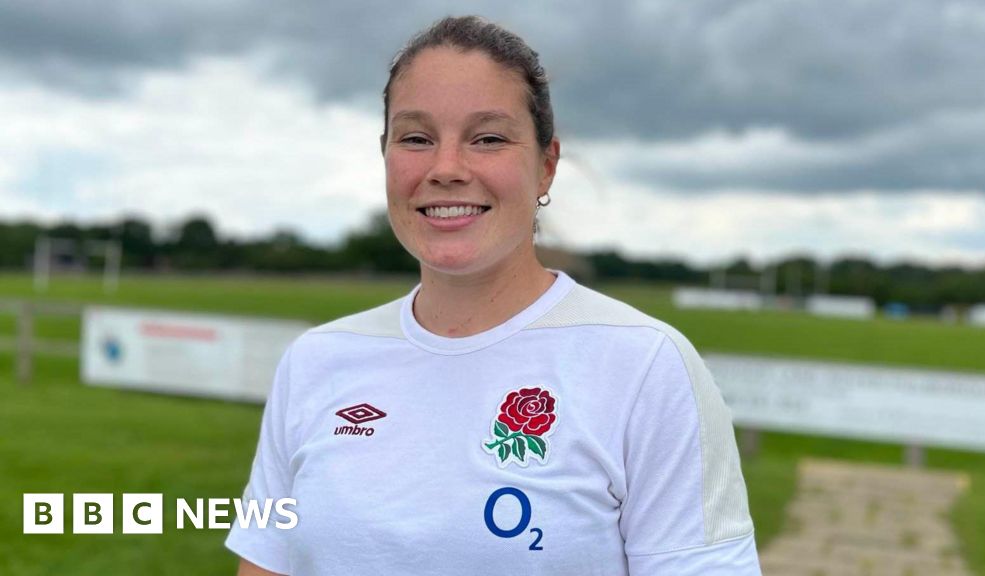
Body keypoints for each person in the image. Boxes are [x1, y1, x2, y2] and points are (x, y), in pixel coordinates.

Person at [227, 15, 761, 576]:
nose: (446, 168)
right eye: (416, 138)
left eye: (488, 138)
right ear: (385, 155)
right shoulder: (316, 360)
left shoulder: (646, 366)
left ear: (546, 166)